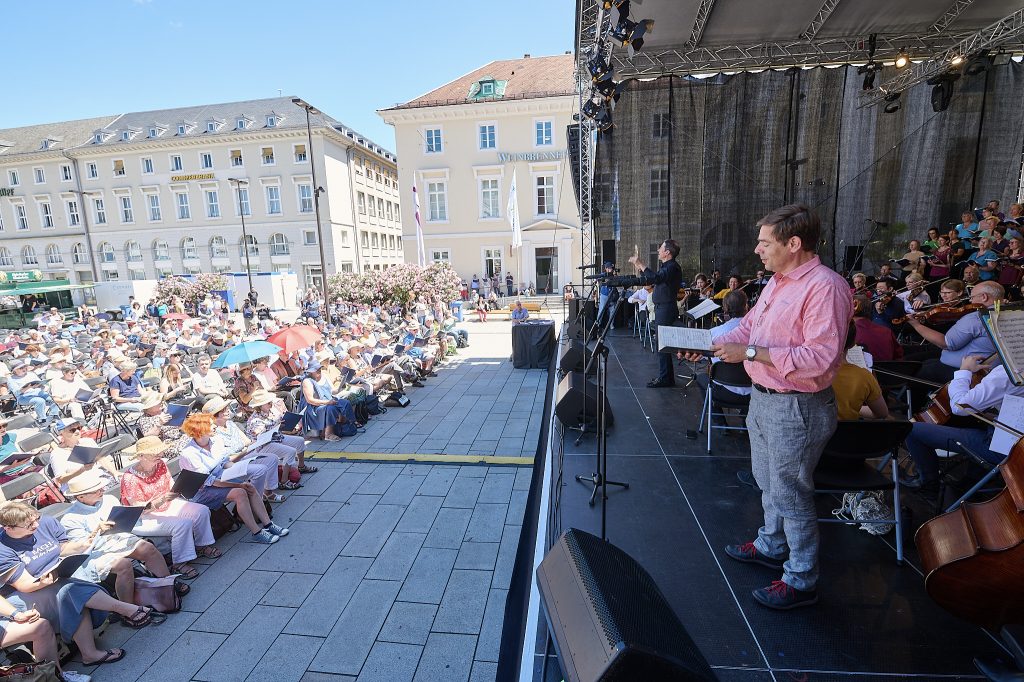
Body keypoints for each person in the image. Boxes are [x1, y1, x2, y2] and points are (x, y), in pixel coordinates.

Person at [691, 203, 852, 609]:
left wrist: (746, 351)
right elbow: (749, 328)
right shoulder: (778, 283)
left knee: (791, 493)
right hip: (765, 401)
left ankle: (801, 579)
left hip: (797, 407)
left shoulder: (825, 287)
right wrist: (710, 348)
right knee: (768, 482)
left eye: (765, 242)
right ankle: (771, 545)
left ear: (793, 243)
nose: (757, 250)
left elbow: (819, 357)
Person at [0, 501, 161, 666]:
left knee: (69, 590)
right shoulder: (3, 548)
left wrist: (85, 542)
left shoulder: (45, 522)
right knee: (67, 589)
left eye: (36, 519)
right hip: (25, 594)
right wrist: (42, 583)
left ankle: (90, 654)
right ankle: (126, 609)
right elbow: (25, 584)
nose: (36, 525)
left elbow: (62, 547)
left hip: (60, 574)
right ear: (9, 528)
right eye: (29, 525)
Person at [902, 355, 1024, 497]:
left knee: (912, 430)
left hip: (1009, 451)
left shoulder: (1010, 373)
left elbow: (960, 406)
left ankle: (929, 486)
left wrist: (964, 370)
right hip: (1015, 438)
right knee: (978, 420)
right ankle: (971, 482)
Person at [59, 471, 174, 605]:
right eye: (95, 490)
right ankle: (130, 608)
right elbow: (81, 548)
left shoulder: (108, 499)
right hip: (95, 551)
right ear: (81, 497)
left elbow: (124, 518)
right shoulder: (70, 518)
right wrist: (97, 531)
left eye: (100, 488)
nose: (101, 491)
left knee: (147, 548)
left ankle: (168, 584)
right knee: (123, 565)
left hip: (116, 539)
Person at [178, 413, 287, 544]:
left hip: (219, 478)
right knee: (240, 492)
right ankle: (256, 532)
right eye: (210, 424)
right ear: (200, 430)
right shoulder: (189, 454)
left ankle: (268, 524)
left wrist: (238, 469)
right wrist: (238, 485)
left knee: (249, 486)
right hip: (201, 491)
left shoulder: (215, 441)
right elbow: (208, 481)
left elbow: (224, 463)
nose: (214, 426)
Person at [120, 436, 220, 578]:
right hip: (144, 516)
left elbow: (171, 485)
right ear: (141, 456)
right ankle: (178, 564)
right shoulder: (130, 478)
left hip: (167, 503)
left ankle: (201, 546)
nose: (160, 455)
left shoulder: (160, 464)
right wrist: (160, 501)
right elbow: (137, 509)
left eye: (160, 452)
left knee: (201, 510)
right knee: (182, 525)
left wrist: (180, 488)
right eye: (155, 453)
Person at [905, 281, 1003, 384]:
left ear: (984, 297)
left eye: (973, 297)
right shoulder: (1011, 314)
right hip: (992, 370)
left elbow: (947, 343)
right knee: (922, 362)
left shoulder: (976, 318)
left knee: (911, 371)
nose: (970, 300)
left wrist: (917, 325)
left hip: (967, 373)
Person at [629, 240, 683, 388]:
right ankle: (667, 377)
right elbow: (653, 279)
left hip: (666, 309)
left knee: (662, 344)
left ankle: (665, 378)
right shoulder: (667, 267)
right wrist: (640, 267)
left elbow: (656, 278)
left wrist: (640, 263)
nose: (659, 250)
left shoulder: (672, 267)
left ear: (667, 253)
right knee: (662, 344)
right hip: (662, 308)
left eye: (661, 248)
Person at [832, 322, 888, 420]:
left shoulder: (809, 373)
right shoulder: (864, 376)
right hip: (849, 433)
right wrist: (855, 409)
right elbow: (882, 413)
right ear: (853, 343)